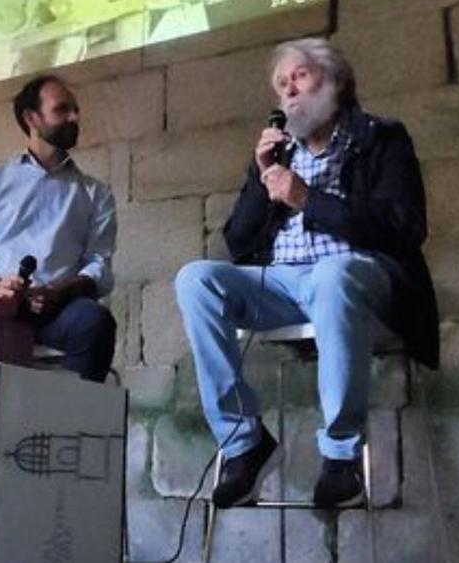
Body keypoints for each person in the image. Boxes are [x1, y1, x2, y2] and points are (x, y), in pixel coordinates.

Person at [174, 38, 439, 508]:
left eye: (299, 76)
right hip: (281, 282)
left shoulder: (380, 137)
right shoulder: (279, 156)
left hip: (358, 276)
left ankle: (340, 457)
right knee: (195, 279)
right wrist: (262, 179)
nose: (289, 90)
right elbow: (238, 243)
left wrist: (307, 200)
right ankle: (244, 443)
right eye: (281, 84)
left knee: (332, 274)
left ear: (334, 81)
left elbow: (405, 226)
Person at [0, 74, 118, 382]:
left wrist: (59, 292)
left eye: (76, 109)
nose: (75, 117)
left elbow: (100, 266)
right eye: (62, 109)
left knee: (95, 322)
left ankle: (72, 425)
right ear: (31, 118)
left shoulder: (96, 193)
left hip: (61, 311)